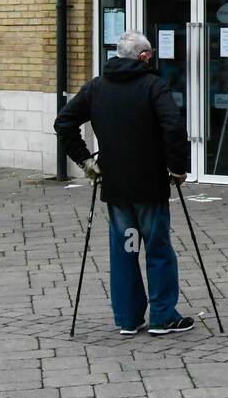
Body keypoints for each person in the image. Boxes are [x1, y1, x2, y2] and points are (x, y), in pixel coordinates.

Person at [54, 30, 194, 336]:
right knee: (157, 249)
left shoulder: (96, 87)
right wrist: (178, 167)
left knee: (125, 249)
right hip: (149, 184)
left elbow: (64, 122)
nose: (152, 59)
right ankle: (162, 316)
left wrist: (86, 162)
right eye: (151, 55)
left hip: (115, 186)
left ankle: (128, 318)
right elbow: (173, 126)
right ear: (143, 57)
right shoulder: (153, 86)